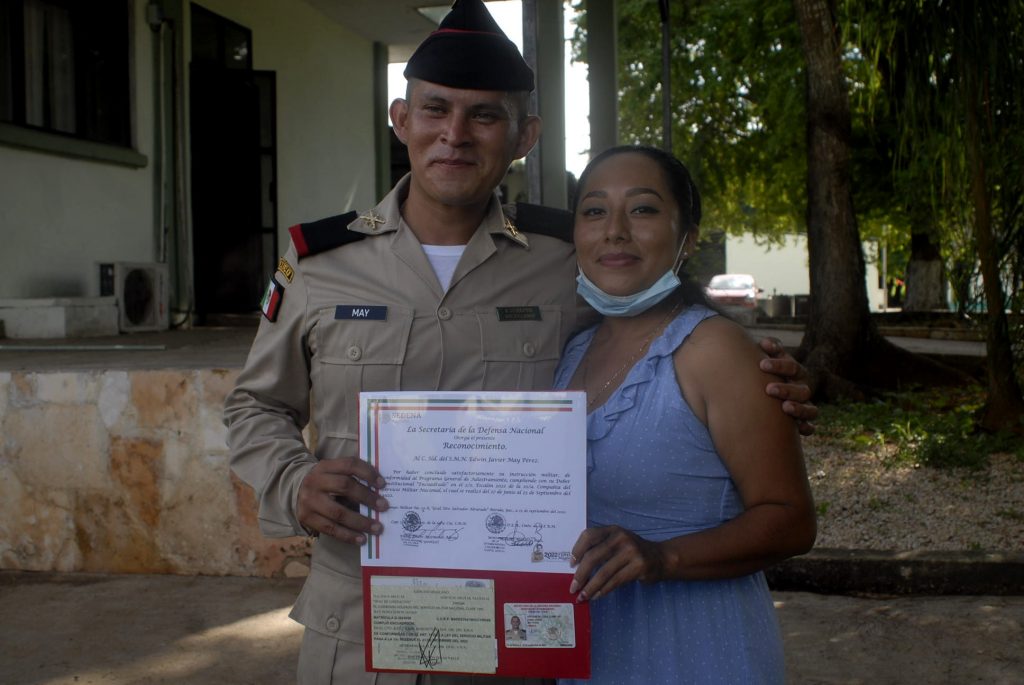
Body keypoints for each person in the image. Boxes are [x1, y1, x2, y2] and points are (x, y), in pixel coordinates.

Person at [224, 2, 816, 683]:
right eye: (435, 110)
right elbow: (253, 406)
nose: (455, 134)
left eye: (484, 115)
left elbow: (661, 335)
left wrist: (770, 382)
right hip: (359, 628)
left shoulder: (567, 258)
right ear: (400, 119)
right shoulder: (318, 264)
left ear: (524, 134)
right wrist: (295, 481)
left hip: (515, 630)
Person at [554, 145, 818, 684]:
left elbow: (791, 519)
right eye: (595, 211)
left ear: (688, 237)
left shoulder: (714, 351)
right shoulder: (569, 352)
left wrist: (663, 557)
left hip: (691, 646)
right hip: (583, 645)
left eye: (644, 209)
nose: (615, 231)